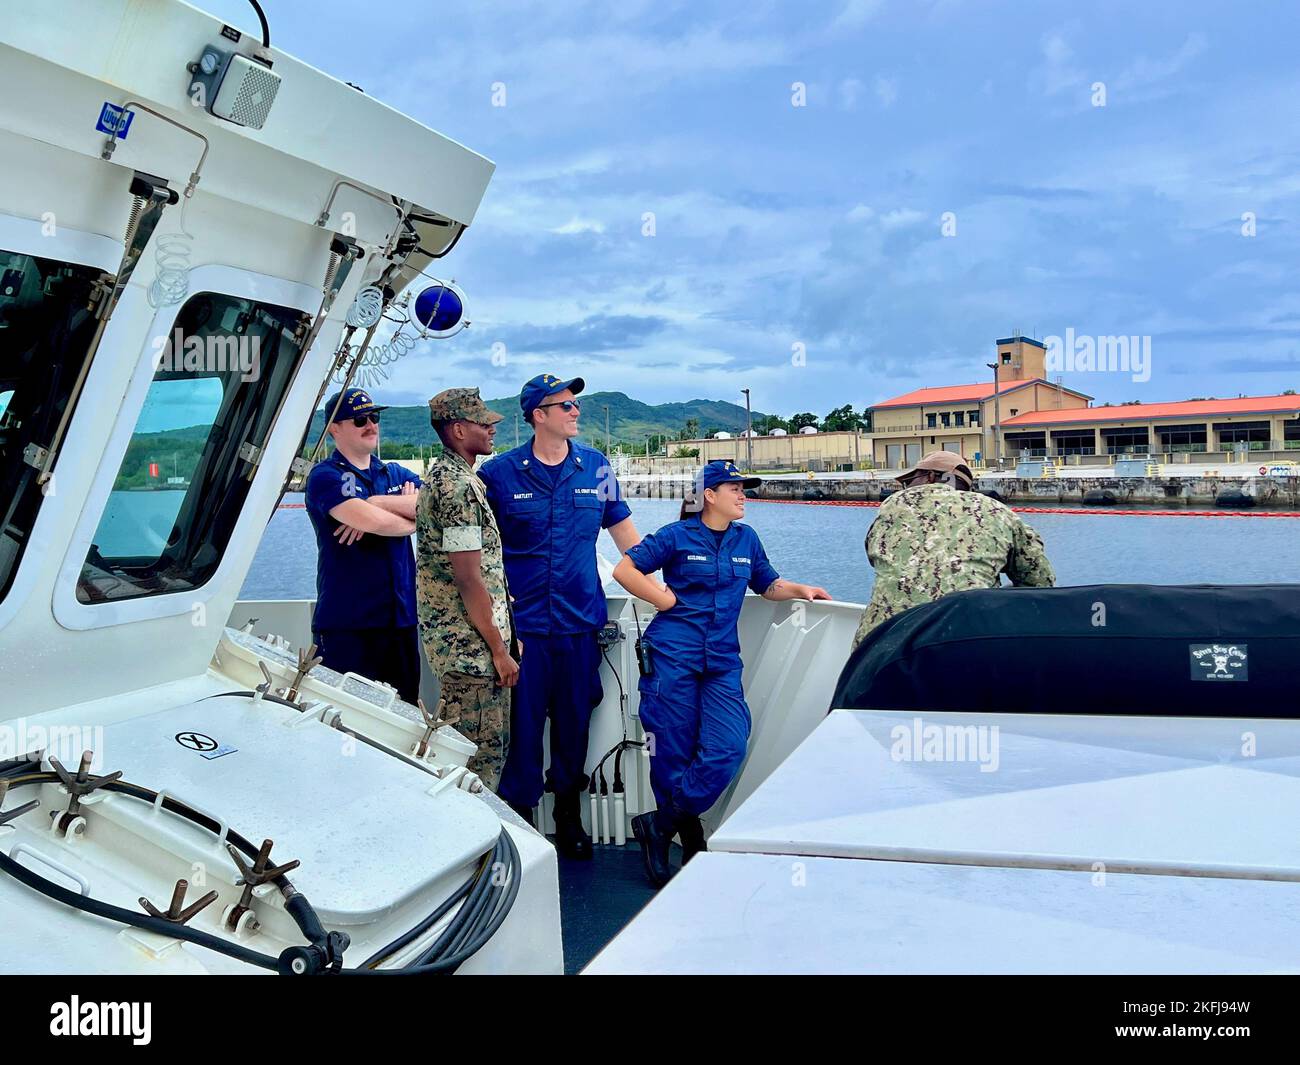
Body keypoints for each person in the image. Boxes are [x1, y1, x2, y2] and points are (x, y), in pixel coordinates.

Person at [613, 459, 832, 887]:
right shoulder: (677, 536)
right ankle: (682, 832)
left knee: (728, 747)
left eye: (743, 488)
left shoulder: (745, 539)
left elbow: (767, 584)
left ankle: (662, 823)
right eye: (734, 488)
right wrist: (663, 601)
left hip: (720, 662)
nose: (742, 495)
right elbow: (625, 569)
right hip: (672, 654)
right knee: (671, 750)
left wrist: (801, 589)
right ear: (709, 495)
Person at [478, 373, 641, 859]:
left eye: (576, 404)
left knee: (574, 725)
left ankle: (568, 812)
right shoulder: (498, 474)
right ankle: (523, 820)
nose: (575, 411)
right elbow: (468, 541)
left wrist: (669, 587)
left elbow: (630, 541)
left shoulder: (597, 467)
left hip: (579, 625)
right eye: (564, 405)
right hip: (523, 629)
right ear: (538, 415)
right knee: (522, 729)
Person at [416, 388, 519, 790]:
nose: (493, 426)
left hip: (469, 648)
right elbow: (468, 577)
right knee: (480, 765)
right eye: (483, 422)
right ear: (459, 429)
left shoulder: (451, 477)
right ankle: (480, 852)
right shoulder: (456, 487)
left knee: (478, 760)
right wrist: (498, 649)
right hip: (472, 656)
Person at [852, 450, 1056, 647]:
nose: (906, 489)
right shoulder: (996, 511)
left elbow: (874, 555)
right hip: (963, 644)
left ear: (930, 477)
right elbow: (1041, 582)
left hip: (877, 648)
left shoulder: (893, 505)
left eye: (909, 482)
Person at [304, 387, 423, 703]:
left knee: (403, 718)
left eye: (374, 417)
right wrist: (402, 509)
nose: (371, 425)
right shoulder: (325, 477)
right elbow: (377, 524)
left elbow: (432, 506)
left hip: (400, 623)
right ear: (334, 428)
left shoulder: (393, 472)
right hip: (349, 626)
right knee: (347, 721)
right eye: (359, 420)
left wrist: (375, 501)